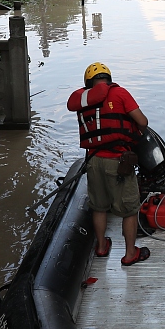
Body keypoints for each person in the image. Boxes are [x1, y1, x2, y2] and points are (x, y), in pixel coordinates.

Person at [67, 62, 152, 266]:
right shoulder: (120, 93)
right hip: (118, 161)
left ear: (88, 82)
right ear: (109, 79)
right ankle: (130, 253)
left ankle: (102, 246)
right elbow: (142, 121)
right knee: (129, 210)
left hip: (93, 160)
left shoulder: (82, 100)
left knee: (99, 207)